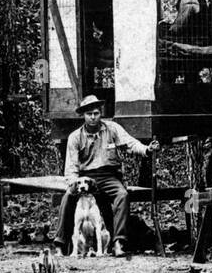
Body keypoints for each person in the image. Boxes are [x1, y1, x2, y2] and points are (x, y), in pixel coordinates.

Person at [54, 94, 160, 257]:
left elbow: (130, 143)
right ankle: (60, 244)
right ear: (83, 115)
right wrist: (75, 184)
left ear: (100, 113)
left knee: (122, 195)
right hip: (86, 178)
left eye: (96, 113)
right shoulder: (75, 137)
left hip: (109, 176)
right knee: (68, 196)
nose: (93, 117)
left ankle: (118, 242)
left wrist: (147, 149)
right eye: (89, 114)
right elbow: (71, 167)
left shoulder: (112, 128)